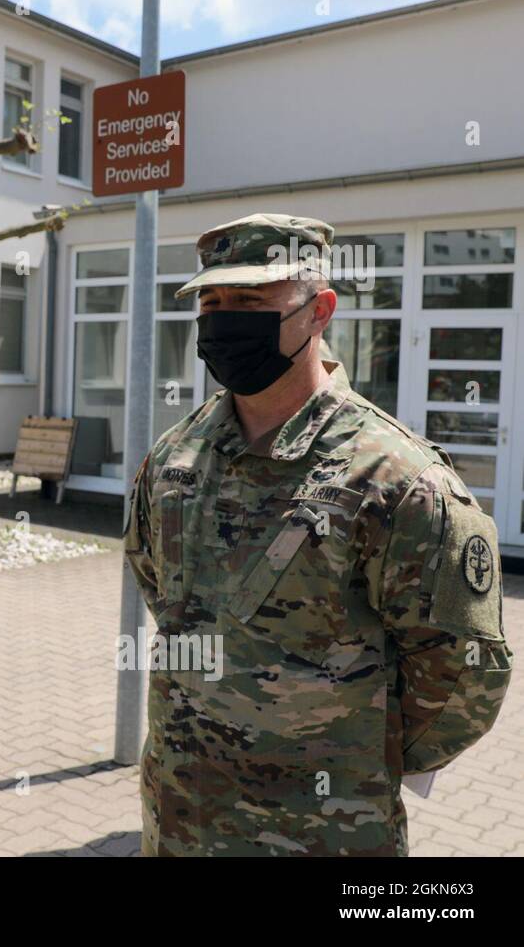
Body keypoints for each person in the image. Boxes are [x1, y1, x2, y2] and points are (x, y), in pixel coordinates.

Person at [124, 213, 513, 857]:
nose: (223, 320)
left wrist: (350, 752)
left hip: (325, 831)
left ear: (319, 311)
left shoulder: (397, 478)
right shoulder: (176, 455)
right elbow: (162, 593)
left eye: (249, 301)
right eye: (212, 302)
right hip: (178, 819)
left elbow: (464, 676)